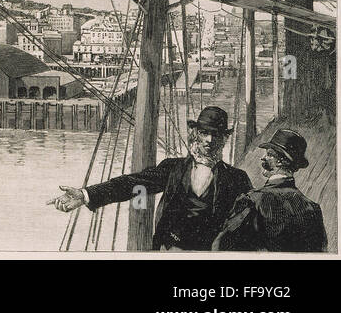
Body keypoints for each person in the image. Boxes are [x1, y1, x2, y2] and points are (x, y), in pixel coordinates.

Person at [47, 106, 253, 250]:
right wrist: (85, 195)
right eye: (204, 133)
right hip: (169, 250)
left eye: (215, 135)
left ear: (224, 139)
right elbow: (132, 184)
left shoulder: (237, 179)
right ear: (195, 134)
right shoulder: (173, 168)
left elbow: (246, 226)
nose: (209, 140)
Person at [212, 129, 327, 252]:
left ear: (281, 160)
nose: (263, 158)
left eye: (269, 154)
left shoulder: (253, 200)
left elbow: (222, 246)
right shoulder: (313, 208)